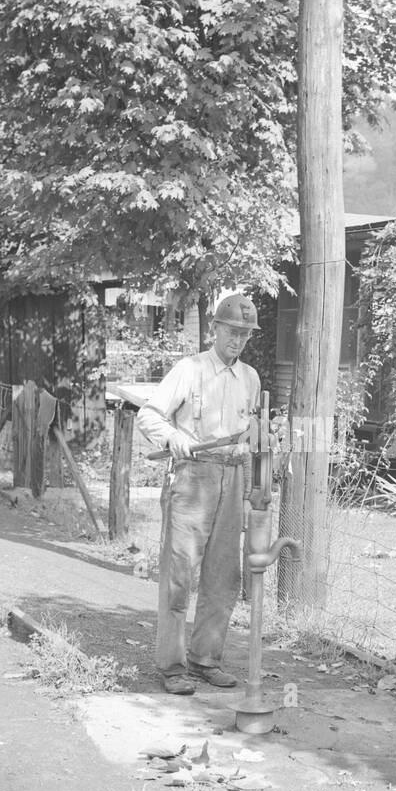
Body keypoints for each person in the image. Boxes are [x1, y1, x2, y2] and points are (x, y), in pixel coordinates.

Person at [135, 294, 261, 695]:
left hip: (232, 476)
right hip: (192, 477)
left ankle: (206, 659)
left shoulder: (251, 379)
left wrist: (253, 446)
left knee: (224, 576)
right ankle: (172, 667)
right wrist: (173, 437)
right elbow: (148, 414)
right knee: (180, 575)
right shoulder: (189, 370)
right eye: (232, 331)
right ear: (215, 329)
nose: (238, 340)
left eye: (245, 334)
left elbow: (250, 431)